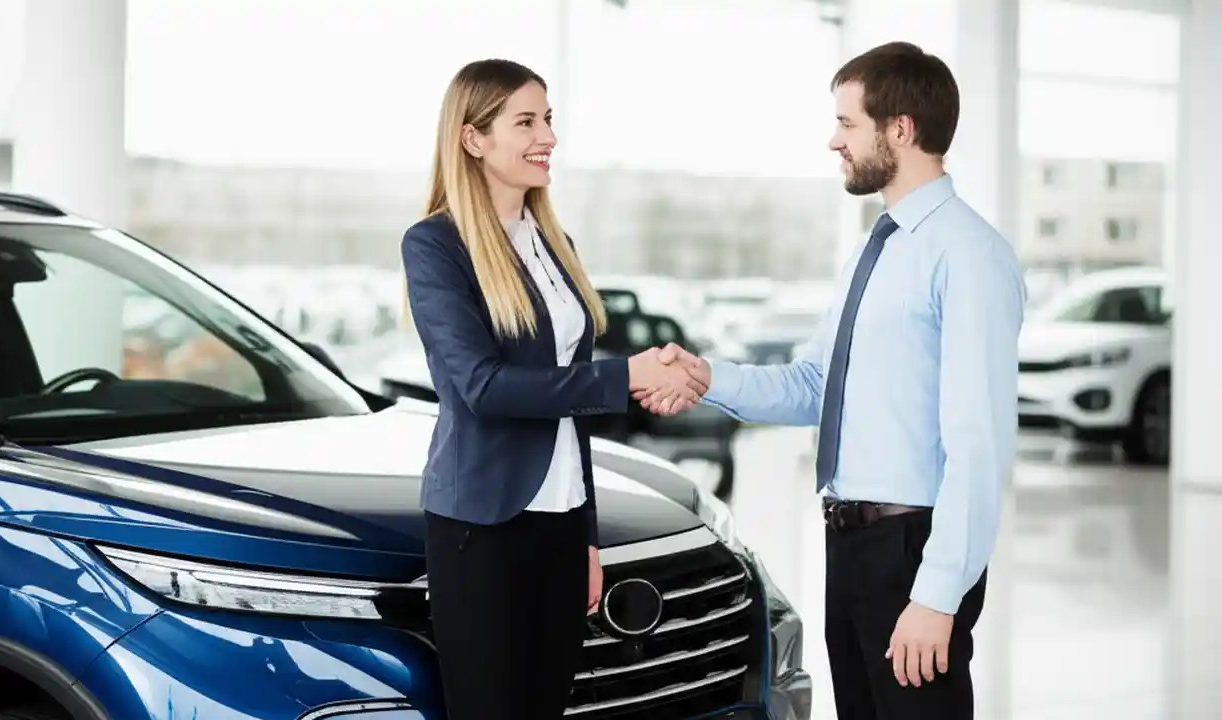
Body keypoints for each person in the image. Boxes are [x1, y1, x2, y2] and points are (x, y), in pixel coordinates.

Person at [641, 42, 1026, 720]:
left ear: (899, 130)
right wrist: (707, 378)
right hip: (851, 546)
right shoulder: (877, 249)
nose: (833, 141)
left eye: (847, 125)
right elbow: (817, 382)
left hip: (914, 551)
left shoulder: (968, 255)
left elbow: (979, 443)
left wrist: (936, 595)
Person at [400, 58, 707, 720]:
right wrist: (628, 376)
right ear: (473, 138)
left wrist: (587, 535)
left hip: (561, 528)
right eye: (526, 122)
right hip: (483, 528)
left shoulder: (553, 242)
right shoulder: (434, 246)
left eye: (548, 120)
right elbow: (483, 387)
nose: (547, 137)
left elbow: (569, 408)